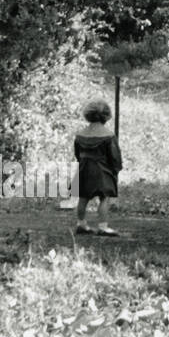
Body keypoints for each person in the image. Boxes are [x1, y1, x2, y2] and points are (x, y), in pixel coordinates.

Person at [74, 100, 123, 236]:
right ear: (106, 116)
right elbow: (114, 157)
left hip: (84, 168)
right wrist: (116, 169)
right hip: (102, 170)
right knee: (104, 197)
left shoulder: (80, 135)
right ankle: (103, 226)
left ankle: (81, 223)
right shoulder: (108, 135)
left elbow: (77, 154)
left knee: (83, 197)